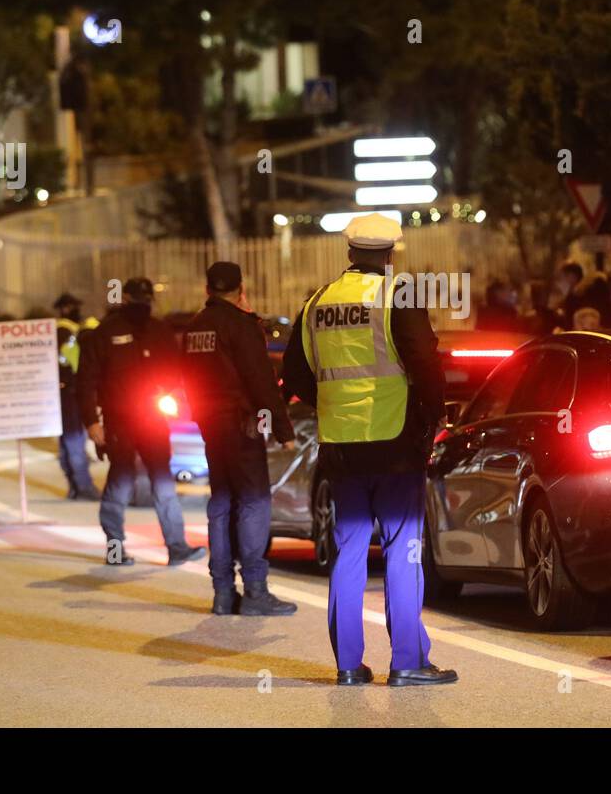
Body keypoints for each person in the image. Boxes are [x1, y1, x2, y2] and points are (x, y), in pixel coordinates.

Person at [281, 213, 457, 687]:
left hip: (341, 447)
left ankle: (347, 665)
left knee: (349, 550)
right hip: (397, 445)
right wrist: (430, 418)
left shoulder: (318, 301)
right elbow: (426, 365)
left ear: (350, 251)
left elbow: (294, 374)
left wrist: (331, 404)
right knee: (404, 550)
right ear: (391, 253)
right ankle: (407, 661)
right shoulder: (399, 295)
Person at [179, 261, 298, 617]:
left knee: (221, 501)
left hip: (211, 427)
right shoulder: (242, 325)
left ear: (207, 290)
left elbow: (188, 380)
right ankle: (256, 591)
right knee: (253, 502)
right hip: (241, 424)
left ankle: (222, 592)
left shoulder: (194, 328)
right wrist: (283, 428)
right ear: (240, 289)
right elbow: (259, 379)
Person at [77, 277, 206, 567]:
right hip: (120, 421)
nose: (143, 305)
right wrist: (91, 422)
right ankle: (115, 548)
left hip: (152, 420)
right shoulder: (107, 332)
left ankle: (176, 546)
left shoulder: (158, 330)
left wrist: (168, 389)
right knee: (121, 480)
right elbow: (86, 380)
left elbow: (175, 369)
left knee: (161, 481)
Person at [54, 293, 99, 502]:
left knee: (66, 441)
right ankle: (83, 487)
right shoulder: (67, 332)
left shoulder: (59, 330)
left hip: (59, 393)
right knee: (74, 441)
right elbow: (72, 363)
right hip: (71, 393)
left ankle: (74, 487)